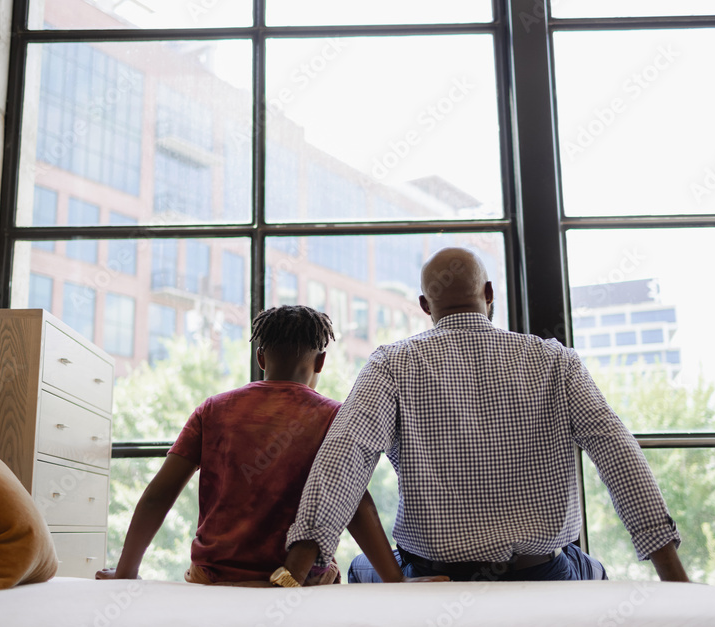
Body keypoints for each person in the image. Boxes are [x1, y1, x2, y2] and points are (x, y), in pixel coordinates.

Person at [278, 247, 689, 585]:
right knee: (591, 568)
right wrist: (676, 579)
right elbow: (618, 454)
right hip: (542, 571)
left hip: (435, 575)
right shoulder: (556, 361)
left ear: (425, 305)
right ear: (489, 293)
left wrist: (292, 577)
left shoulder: (392, 364)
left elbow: (345, 456)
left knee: (357, 569)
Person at [97, 305, 387, 586]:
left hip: (214, 575)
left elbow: (158, 496)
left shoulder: (212, 410)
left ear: (260, 357)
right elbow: (355, 502)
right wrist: (394, 580)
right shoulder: (335, 417)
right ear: (321, 362)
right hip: (296, 579)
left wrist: (125, 572)